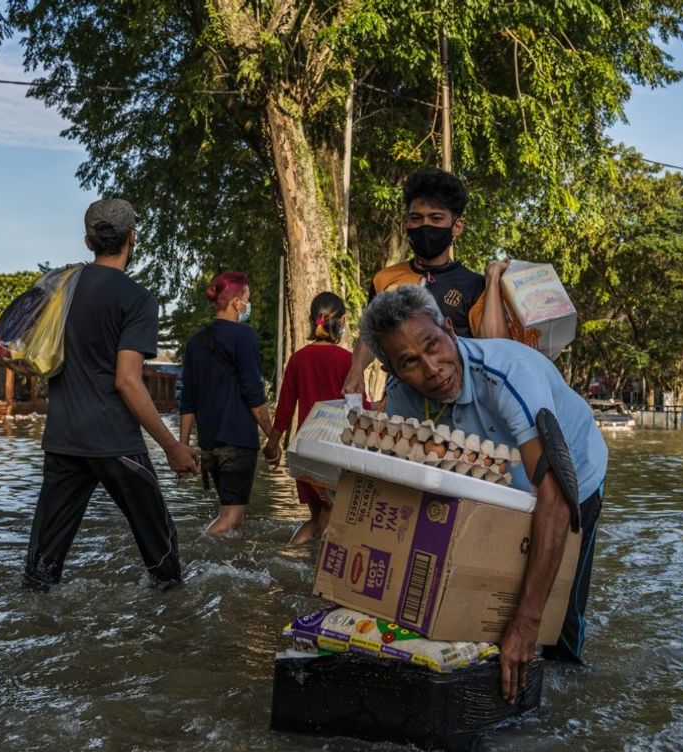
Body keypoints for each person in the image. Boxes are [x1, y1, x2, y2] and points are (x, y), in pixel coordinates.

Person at [360, 284, 608, 703]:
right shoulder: (402, 400)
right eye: (410, 362)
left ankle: (568, 691)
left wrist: (527, 624)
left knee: (556, 613)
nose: (433, 368)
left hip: (572, 479)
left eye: (434, 345)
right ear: (393, 372)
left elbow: (553, 494)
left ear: (451, 332)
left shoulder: (509, 373)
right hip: (494, 486)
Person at [24, 198, 199, 592]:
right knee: (163, 560)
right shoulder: (137, 299)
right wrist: (172, 446)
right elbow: (128, 381)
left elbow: (31, 353)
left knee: (41, 570)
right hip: (114, 440)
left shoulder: (60, 289)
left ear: (88, 242)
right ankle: (177, 630)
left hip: (64, 439)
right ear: (131, 239)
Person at [343, 169, 511, 396]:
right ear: (406, 224)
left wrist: (492, 281)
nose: (425, 226)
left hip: (458, 404)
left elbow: (497, 347)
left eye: (436, 218)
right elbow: (373, 334)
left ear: (457, 226)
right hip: (403, 402)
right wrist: (356, 369)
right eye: (416, 218)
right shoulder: (384, 279)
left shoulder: (474, 286)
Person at [180, 272, 275, 537]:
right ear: (235, 302)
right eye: (247, 299)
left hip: (209, 444)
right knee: (230, 519)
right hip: (237, 440)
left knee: (233, 520)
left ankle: (226, 570)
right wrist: (274, 437)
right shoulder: (244, 336)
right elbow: (254, 395)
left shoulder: (195, 342)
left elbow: (187, 399)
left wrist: (183, 445)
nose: (248, 305)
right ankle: (195, 555)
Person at [263, 292, 358, 544]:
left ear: (312, 320)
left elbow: (284, 410)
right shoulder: (347, 361)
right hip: (332, 452)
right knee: (331, 514)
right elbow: (360, 407)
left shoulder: (297, 359)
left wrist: (272, 445)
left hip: (304, 450)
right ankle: (319, 574)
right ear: (343, 321)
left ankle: (291, 555)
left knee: (317, 518)